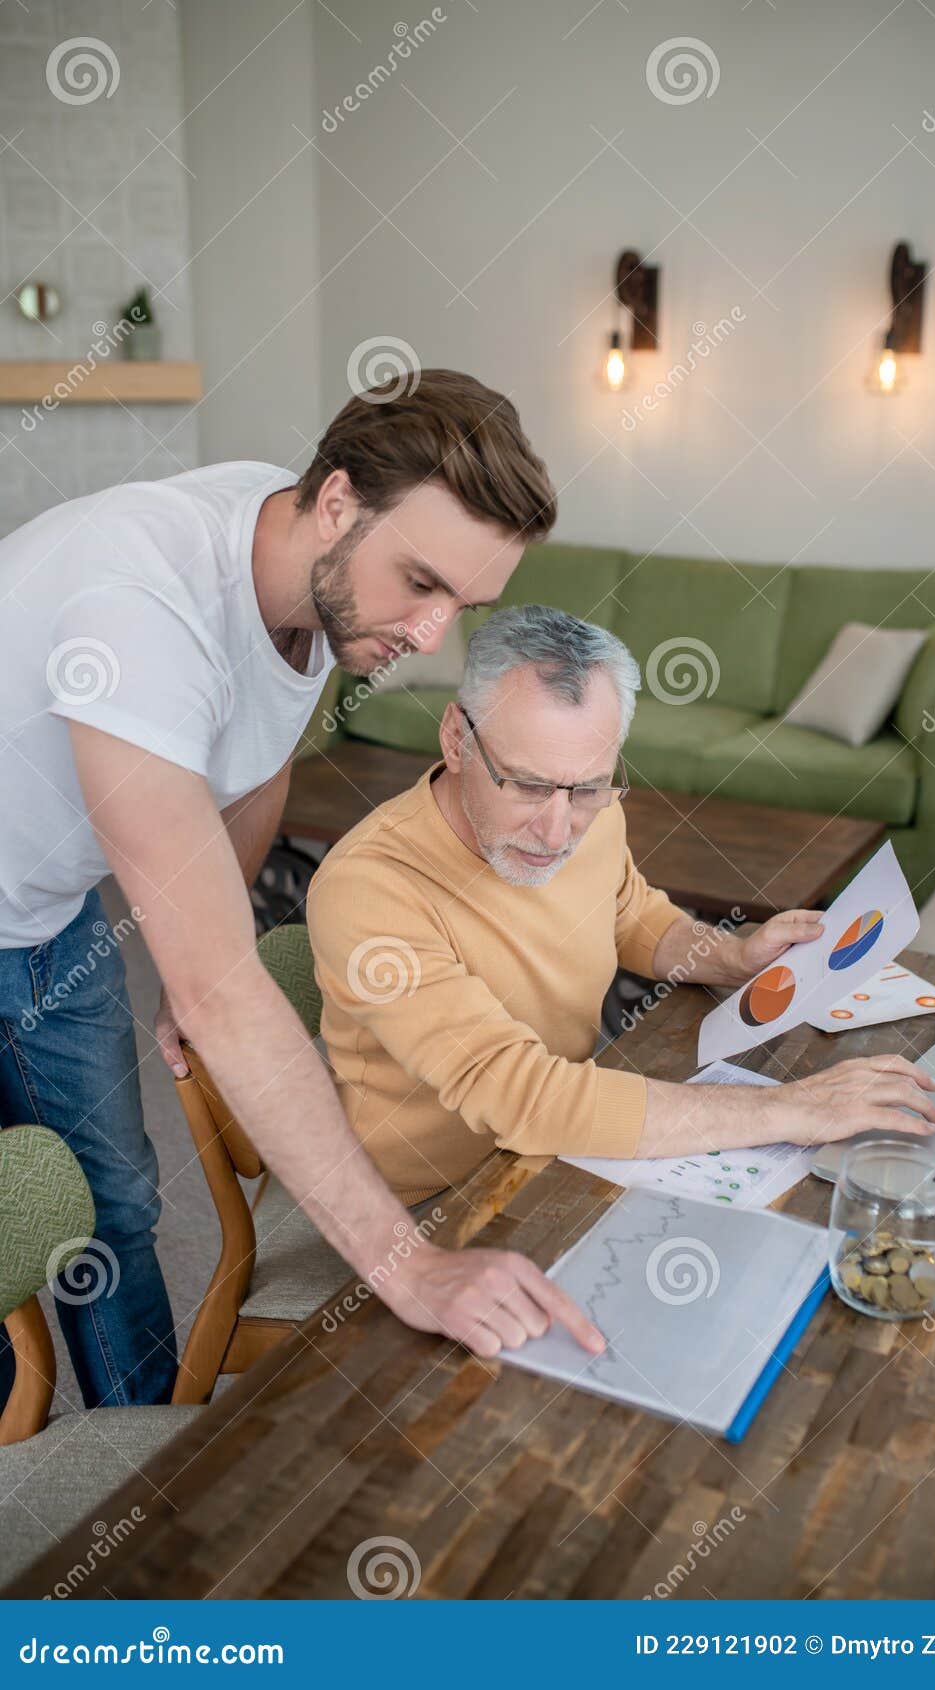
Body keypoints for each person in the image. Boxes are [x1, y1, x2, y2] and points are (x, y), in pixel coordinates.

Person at [0, 371, 603, 1411]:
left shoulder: (300, 566)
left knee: (119, 1201)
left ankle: (137, 1471)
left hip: (43, 915)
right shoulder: (139, 605)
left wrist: (201, 939)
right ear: (335, 501)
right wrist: (405, 1266)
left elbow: (258, 758)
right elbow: (231, 993)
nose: (429, 635)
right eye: (420, 583)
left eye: (462, 602)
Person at [307, 605, 935, 1229]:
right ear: (455, 737)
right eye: (526, 785)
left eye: (587, 789)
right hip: (419, 1205)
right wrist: (787, 1109)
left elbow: (628, 912)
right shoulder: (370, 888)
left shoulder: (590, 810)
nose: (557, 830)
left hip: (558, 1146)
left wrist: (732, 956)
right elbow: (517, 1093)